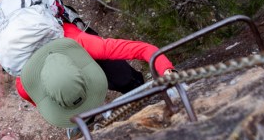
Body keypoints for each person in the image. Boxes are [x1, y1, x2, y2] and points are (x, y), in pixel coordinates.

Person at [15, 22, 175, 129]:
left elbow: (145, 49)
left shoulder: (86, 44)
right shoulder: (25, 85)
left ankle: (136, 88)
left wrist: (167, 72)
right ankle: (83, 112)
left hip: (73, 41)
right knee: (70, 98)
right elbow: (45, 102)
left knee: (124, 79)